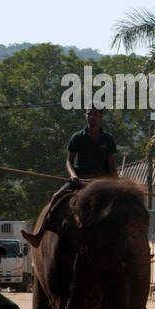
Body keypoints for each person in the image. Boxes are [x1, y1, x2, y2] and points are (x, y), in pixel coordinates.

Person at [23, 105, 119, 248]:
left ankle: (127, 245)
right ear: (85, 116)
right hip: (79, 180)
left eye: (95, 114)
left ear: (101, 116)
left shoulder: (108, 138)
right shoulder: (77, 137)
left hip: (101, 183)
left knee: (121, 207)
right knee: (56, 197)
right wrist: (73, 175)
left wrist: (116, 183)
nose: (91, 117)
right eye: (89, 114)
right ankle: (38, 236)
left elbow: (111, 164)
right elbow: (69, 161)